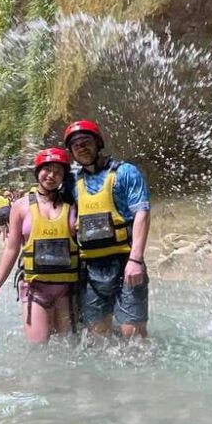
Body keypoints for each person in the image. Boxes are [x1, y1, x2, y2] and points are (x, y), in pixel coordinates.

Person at [0, 148, 79, 343]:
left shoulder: (73, 206)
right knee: (39, 349)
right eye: (47, 169)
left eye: (58, 172)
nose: (51, 176)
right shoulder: (20, 206)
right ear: (38, 171)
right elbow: (11, 249)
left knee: (70, 350)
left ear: (63, 178)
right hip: (35, 288)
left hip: (67, 289)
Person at [64, 120, 151, 339]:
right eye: (76, 146)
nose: (82, 148)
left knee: (133, 336)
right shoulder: (71, 181)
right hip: (90, 267)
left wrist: (136, 260)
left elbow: (142, 212)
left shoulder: (126, 172)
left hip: (125, 262)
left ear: (98, 143)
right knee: (97, 336)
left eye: (86, 142)